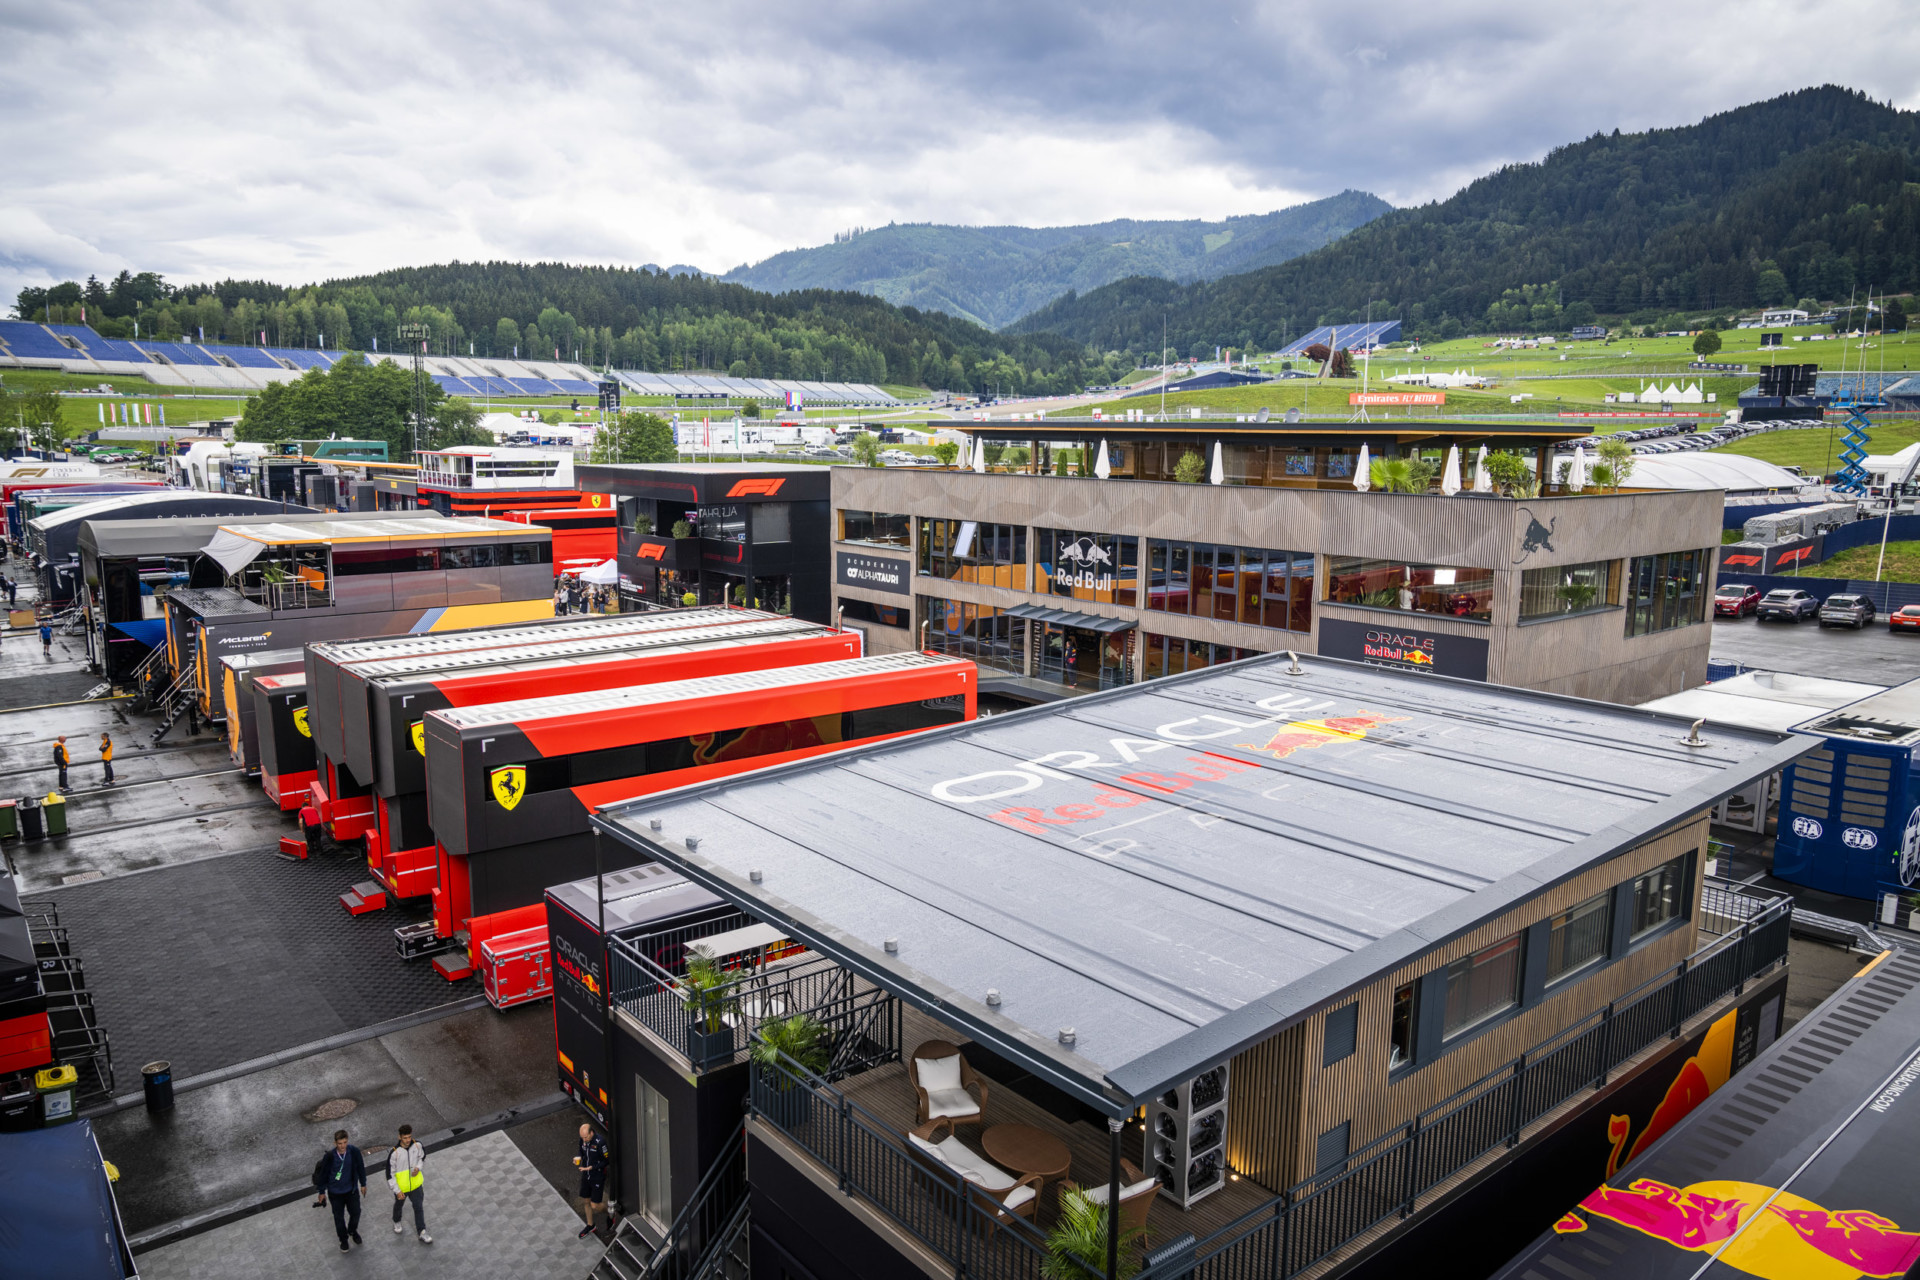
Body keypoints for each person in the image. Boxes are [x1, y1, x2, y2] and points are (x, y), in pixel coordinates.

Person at [312, 1128, 368, 1252]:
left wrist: (363, 1183)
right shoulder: (330, 1156)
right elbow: (324, 1174)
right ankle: (343, 1240)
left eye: (344, 1143)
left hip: (351, 1191)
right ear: (335, 1143)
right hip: (335, 1193)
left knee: (356, 1212)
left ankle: (352, 1231)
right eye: (340, 1143)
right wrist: (322, 1192)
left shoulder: (353, 1152)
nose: (342, 1146)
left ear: (347, 1141)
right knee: (339, 1218)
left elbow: (360, 1168)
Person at [387, 1123, 431, 1243]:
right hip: (402, 1188)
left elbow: (422, 1157)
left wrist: (418, 1167)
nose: (407, 1140)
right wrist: (397, 1190)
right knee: (399, 1205)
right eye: (405, 1138)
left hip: (416, 1185)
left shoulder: (417, 1145)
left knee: (418, 1208)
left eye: (409, 1137)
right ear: (399, 1137)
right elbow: (390, 1174)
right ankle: (396, 1220)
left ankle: (422, 1232)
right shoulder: (394, 1153)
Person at [573, 1122, 612, 1239]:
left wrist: (592, 1167)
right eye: (582, 1138)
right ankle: (590, 1225)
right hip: (586, 1174)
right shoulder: (583, 1140)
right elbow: (581, 1150)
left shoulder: (600, 1142)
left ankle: (610, 1212)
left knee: (595, 1205)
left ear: (591, 1133)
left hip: (597, 1176)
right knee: (586, 1201)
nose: (584, 1140)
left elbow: (607, 1161)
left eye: (586, 1137)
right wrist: (579, 1157)